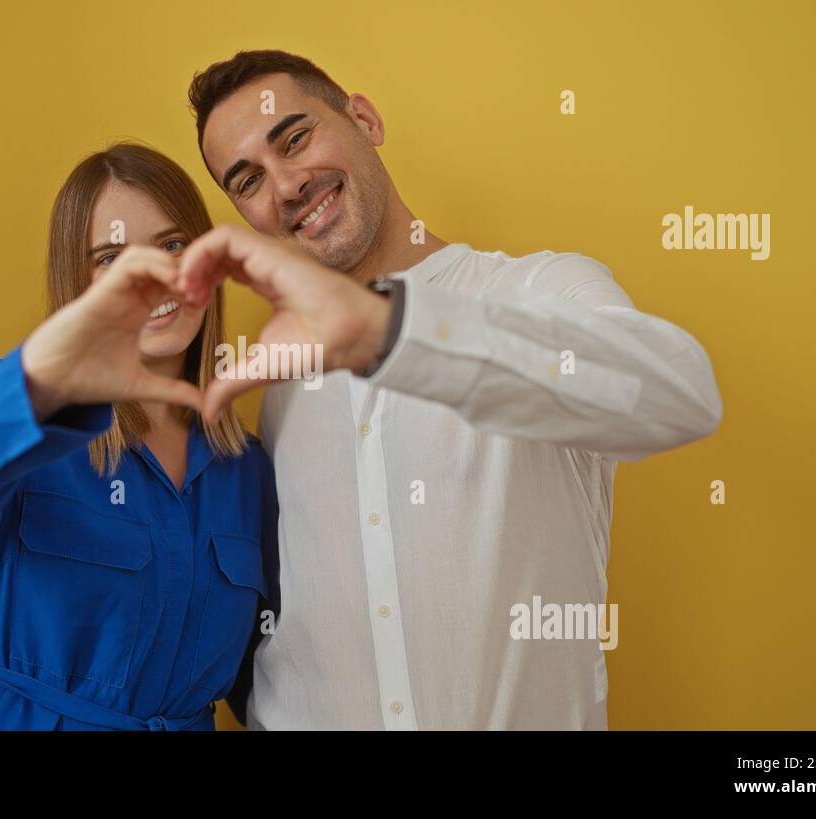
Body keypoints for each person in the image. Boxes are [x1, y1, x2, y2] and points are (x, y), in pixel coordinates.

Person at [172, 50, 723, 729]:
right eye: (248, 179)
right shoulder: (280, 391)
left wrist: (387, 331)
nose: (285, 185)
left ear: (364, 119)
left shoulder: (542, 290)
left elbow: (680, 395)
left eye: (295, 137)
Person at [0, 142, 278, 730]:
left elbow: (270, 676)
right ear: (76, 285)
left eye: (172, 245)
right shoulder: (20, 408)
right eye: (110, 258)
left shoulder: (248, 468)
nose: (153, 278)